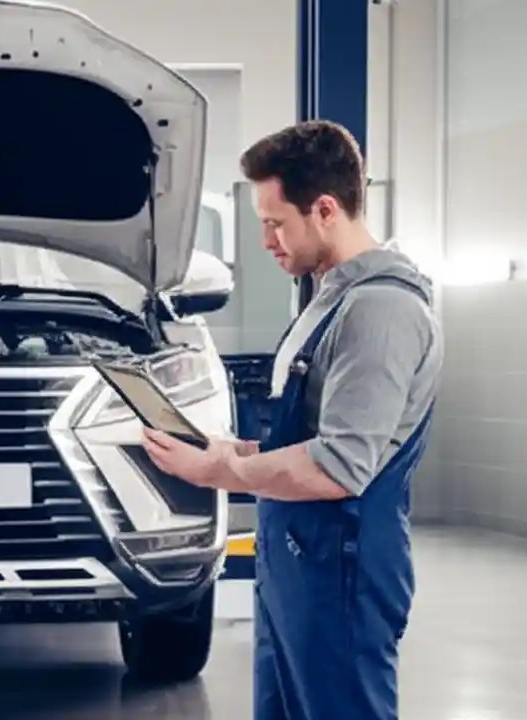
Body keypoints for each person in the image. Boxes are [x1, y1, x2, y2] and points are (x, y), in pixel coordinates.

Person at [141, 120, 443, 720]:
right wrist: (235, 449)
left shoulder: (380, 310)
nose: (266, 240)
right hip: (297, 567)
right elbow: (308, 435)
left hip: (342, 572)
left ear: (325, 209)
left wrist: (219, 471)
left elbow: (339, 466)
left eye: (276, 223)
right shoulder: (329, 298)